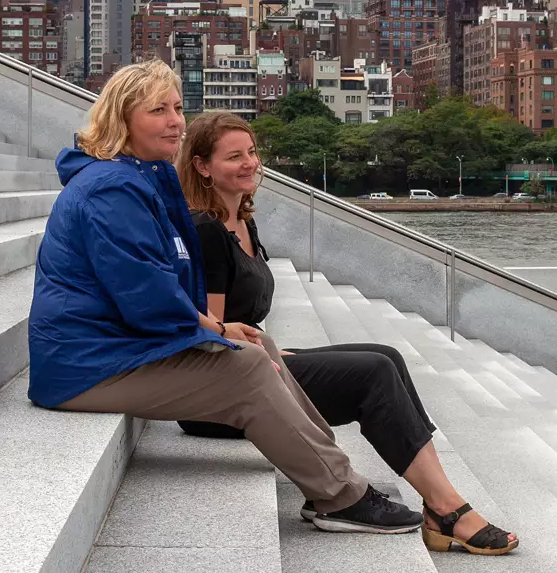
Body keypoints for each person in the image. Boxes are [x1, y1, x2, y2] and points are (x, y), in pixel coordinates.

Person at [27, 60, 420, 534]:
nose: (175, 121)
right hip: (84, 365)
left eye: (177, 107)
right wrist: (213, 327)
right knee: (247, 367)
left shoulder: (137, 179)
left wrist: (222, 328)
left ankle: (335, 476)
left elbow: (152, 286)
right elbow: (146, 296)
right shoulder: (111, 190)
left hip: (114, 346)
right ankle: (339, 496)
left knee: (257, 343)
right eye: (157, 110)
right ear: (122, 119)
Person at [178, 111, 517, 556]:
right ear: (202, 166)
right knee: (372, 372)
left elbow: (246, 325)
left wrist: (285, 354)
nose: (249, 163)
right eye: (234, 156)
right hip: (224, 394)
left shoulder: (240, 219)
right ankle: (447, 508)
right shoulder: (206, 229)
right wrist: (283, 361)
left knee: (386, 354)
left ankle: (438, 497)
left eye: (252, 152)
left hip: (251, 362)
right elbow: (216, 337)